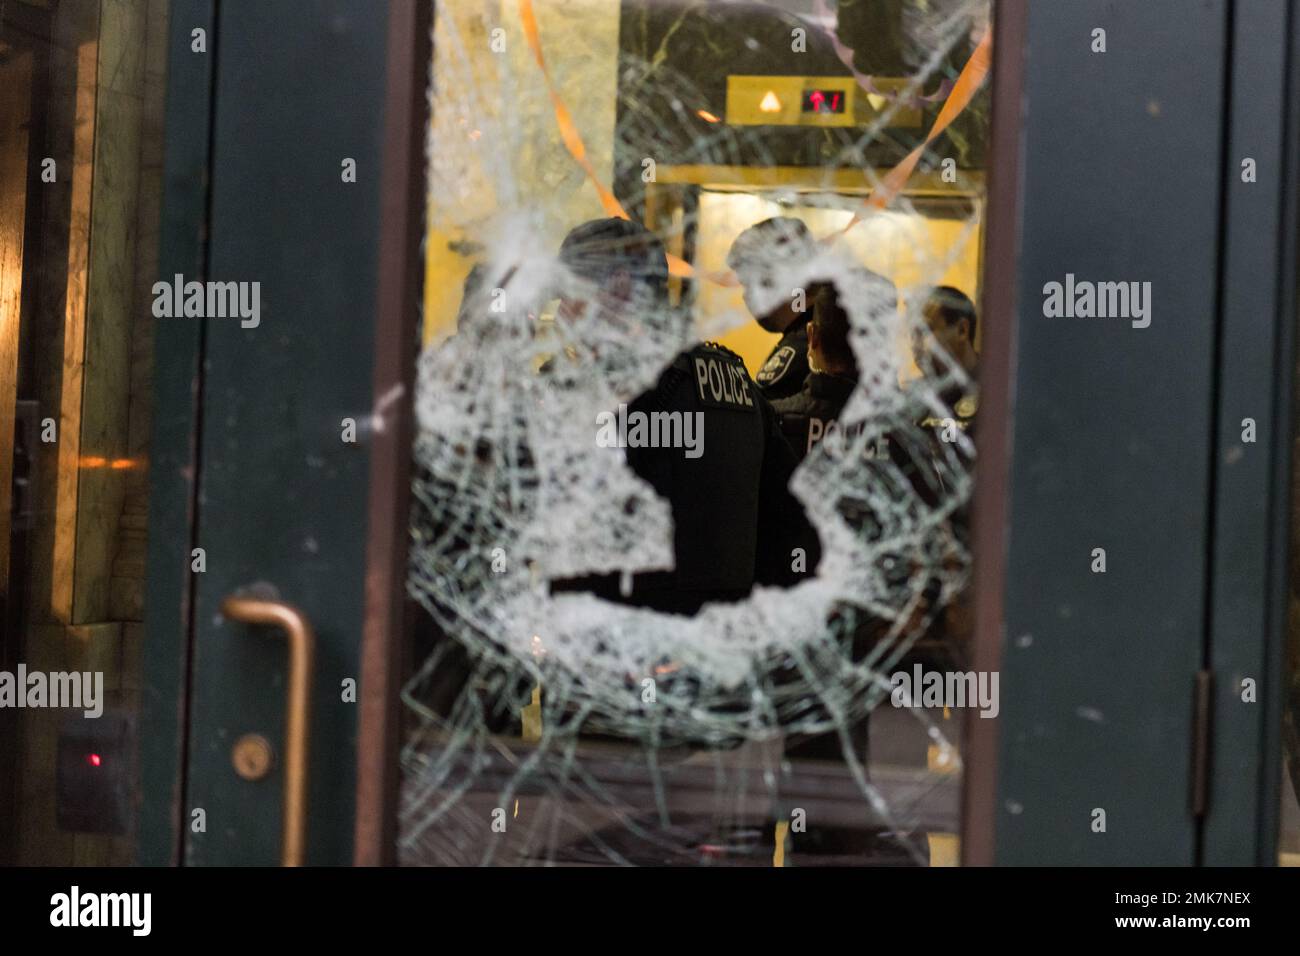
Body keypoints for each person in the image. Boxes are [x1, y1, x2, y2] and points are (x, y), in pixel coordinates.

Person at [551, 217, 819, 615]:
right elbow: (791, 521)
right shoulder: (732, 376)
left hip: (637, 645)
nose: (562, 312)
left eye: (570, 293)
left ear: (620, 287)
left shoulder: (628, 394)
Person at [726, 217, 822, 400]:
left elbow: (763, 420)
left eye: (748, 283)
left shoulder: (802, 348)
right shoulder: (828, 327)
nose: (747, 296)